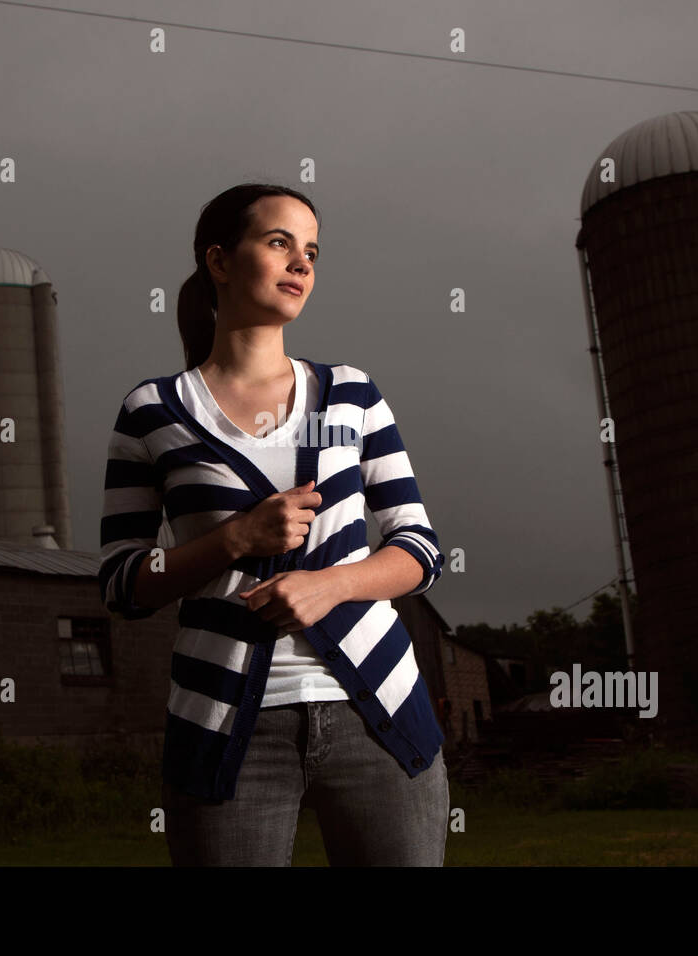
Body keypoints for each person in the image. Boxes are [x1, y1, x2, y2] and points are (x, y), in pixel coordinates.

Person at [98, 182, 448, 866]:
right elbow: (121, 583)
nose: (301, 264)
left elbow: (419, 548)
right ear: (220, 262)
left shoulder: (352, 392)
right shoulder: (151, 412)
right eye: (279, 242)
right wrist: (233, 540)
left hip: (375, 708)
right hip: (225, 728)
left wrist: (333, 586)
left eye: (311, 250)